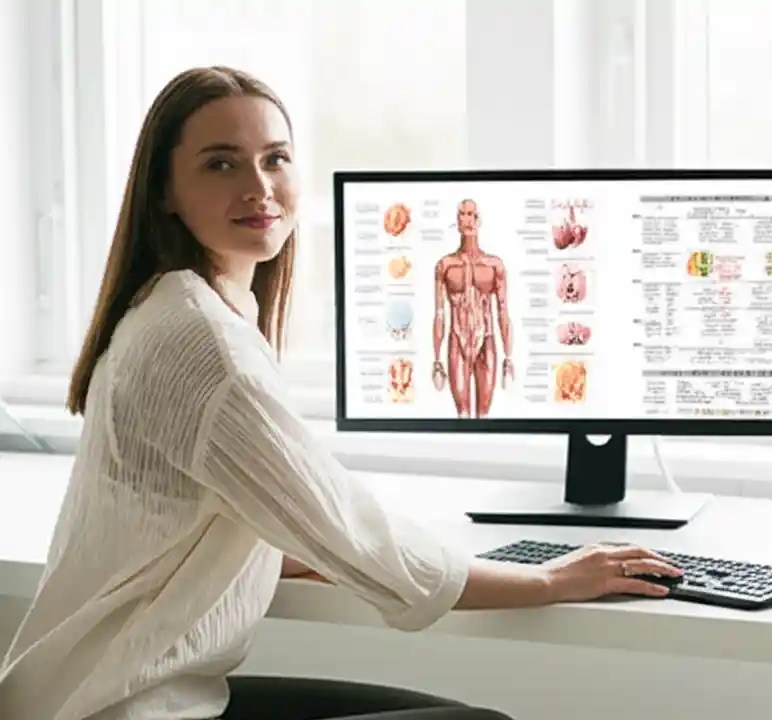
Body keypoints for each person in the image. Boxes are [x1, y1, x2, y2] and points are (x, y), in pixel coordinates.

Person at [0, 66, 681, 720]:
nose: (259, 187)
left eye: (275, 159)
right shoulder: (203, 345)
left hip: (113, 696)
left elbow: (264, 521)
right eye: (221, 164)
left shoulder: (172, 307)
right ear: (163, 193)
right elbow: (367, 546)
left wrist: (323, 543)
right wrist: (552, 579)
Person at [431, 200, 514, 418]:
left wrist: (508, 356)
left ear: (479, 219)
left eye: (472, 214)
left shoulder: (494, 265)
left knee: (484, 414)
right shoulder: (445, 265)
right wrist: (437, 359)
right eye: (463, 214)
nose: (468, 220)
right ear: (457, 220)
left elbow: (503, 310)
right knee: (462, 414)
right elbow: (439, 313)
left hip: (486, 339)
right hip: (457, 340)